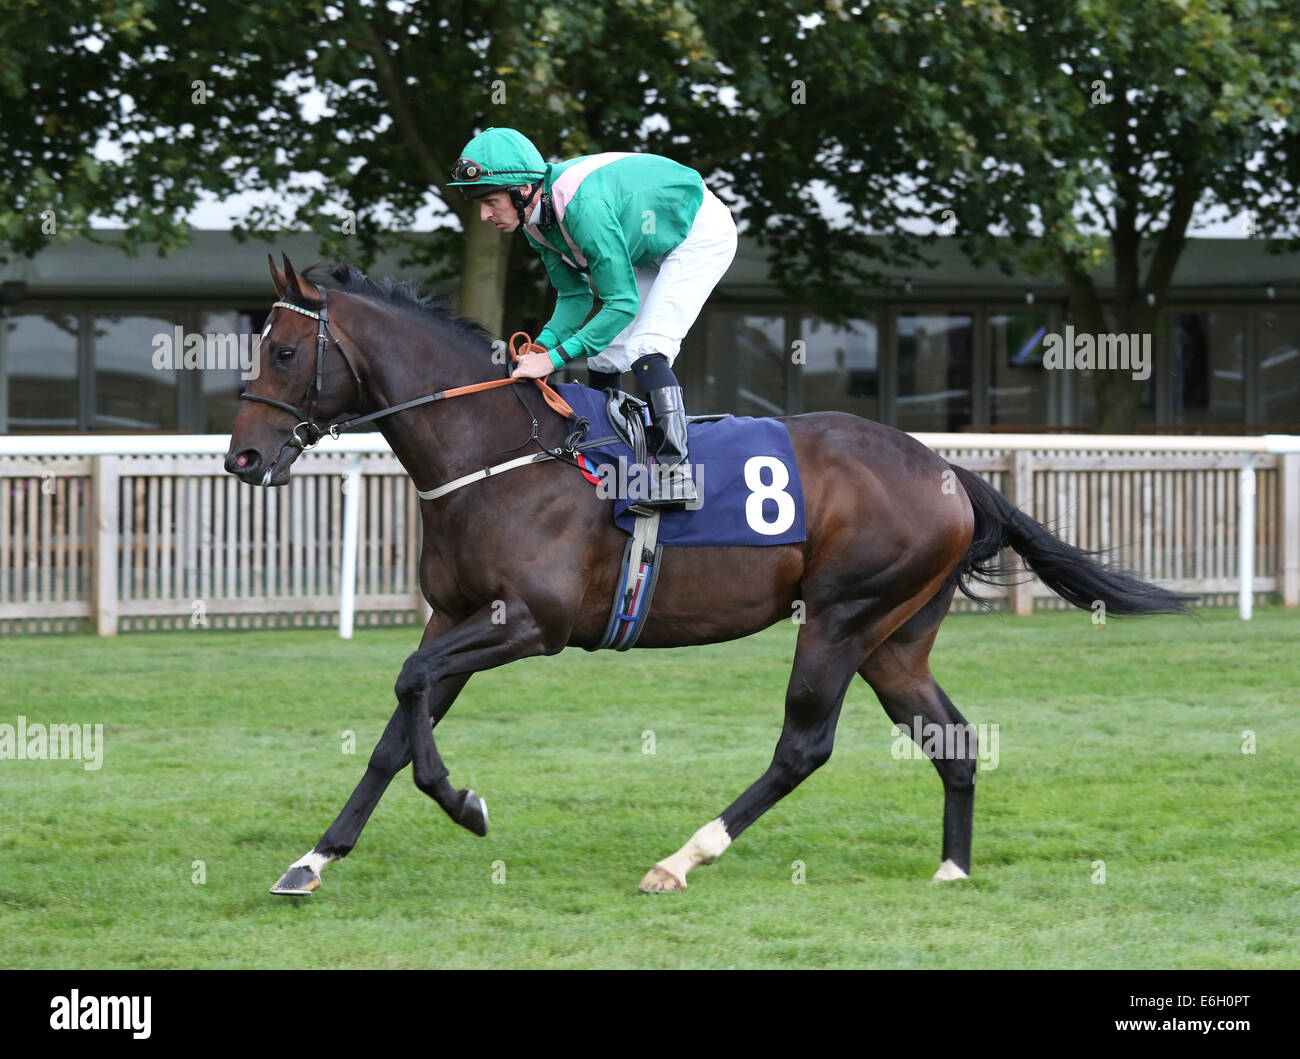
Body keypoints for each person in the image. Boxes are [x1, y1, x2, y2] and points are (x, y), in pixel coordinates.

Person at [449, 127, 737, 508]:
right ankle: (611, 463)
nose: (484, 215)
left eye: (490, 201)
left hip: (697, 232)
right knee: (605, 356)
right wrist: (540, 349)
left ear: (523, 190)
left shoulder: (581, 208)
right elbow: (574, 296)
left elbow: (621, 305)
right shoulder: (536, 223)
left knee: (647, 348)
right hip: (647, 244)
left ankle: (676, 475)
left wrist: (553, 360)